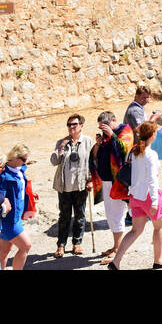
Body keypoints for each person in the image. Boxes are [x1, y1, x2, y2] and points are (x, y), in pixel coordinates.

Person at [109, 121, 162, 270]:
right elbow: (152, 179)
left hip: (135, 197)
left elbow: (133, 175)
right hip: (149, 196)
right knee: (159, 227)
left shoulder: (134, 151)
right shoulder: (151, 154)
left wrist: (131, 196)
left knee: (135, 230)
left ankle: (116, 261)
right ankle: (159, 260)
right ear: (153, 134)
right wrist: (155, 202)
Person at [90, 111, 133, 264]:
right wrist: (99, 144)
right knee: (111, 215)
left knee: (117, 215)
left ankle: (118, 249)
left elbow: (124, 151)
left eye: (106, 126)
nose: (104, 130)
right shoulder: (108, 136)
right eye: (102, 128)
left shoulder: (125, 130)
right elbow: (96, 156)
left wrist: (112, 136)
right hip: (106, 180)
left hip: (118, 182)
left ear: (114, 120)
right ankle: (116, 246)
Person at [50, 113, 92, 257]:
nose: (71, 127)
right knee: (64, 216)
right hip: (64, 186)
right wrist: (61, 146)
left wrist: (91, 180)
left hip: (80, 185)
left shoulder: (88, 142)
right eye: (69, 125)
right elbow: (54, 161)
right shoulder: (61, 142)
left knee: (80, 215)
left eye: (74, 124)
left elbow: (92, 163)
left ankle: (77, 243)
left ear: (81, 126)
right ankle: (61, 245)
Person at [0, 144, 36, 270]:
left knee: (4, 252)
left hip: (16, 216)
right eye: (24, 159)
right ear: (15, 157)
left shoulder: (19, 169)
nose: (25, 162)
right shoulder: (3, 175)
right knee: (26, 246)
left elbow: (21, 186)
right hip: (9, 220)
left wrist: (30, 193)